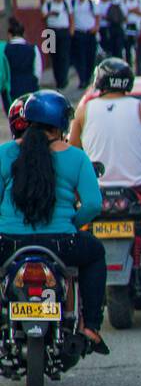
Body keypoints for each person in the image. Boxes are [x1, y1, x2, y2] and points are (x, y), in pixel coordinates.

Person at [0, 90, 109, 354]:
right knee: (95, 253)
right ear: (62, 124)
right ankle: (90, 327)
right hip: (61, 244)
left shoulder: (5, 152)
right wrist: (72, 222)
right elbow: (93, 204)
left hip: (9, 244)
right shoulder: (76, 157)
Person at [69, 58, 141, 262]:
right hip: (140, 187)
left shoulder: (83, 111)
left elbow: (73, 151)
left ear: (99, 82)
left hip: (96, 187)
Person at [2, 18, 41, 110]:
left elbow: (3, 71)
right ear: (23, 34)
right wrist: (35, 83)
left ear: (9, 35)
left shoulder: (5, 49)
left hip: (11, 88)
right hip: (30, 86)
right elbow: (38, 70)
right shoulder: (33, 48)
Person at [41, 0, 73, 90]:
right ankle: (58, 79)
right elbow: (43, 17)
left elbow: (71, 17)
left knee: (64, 56)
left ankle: (63, 79)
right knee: (54, 56)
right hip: (51, 32)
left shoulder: (66, 4)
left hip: (63, 31)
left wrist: (71, 30)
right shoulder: (48, 5)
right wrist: (50, 14)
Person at [70, 0, 99, 89]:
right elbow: (71, 17)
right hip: (78, 33)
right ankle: (82, 79)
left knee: (90, 57)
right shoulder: (73, 3)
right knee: (79, 58)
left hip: (90, 33)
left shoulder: (91, 4)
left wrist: (96, 27)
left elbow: (97, 17)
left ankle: (88, 77)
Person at [122, 0, 141, 67]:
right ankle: (129, 65)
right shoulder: (124, 1)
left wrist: (131, 10)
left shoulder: (138, 1)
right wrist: (134, 10)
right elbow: (124, 14)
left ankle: (138, 65)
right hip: (127, 26)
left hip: (136, 26)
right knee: (127, 48)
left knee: (137, 47)